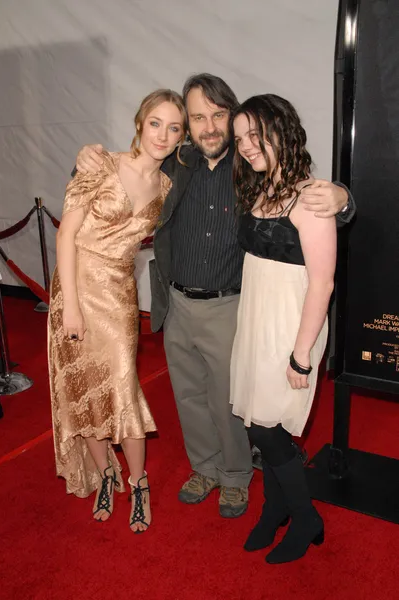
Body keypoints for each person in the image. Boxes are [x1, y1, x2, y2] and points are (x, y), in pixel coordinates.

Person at [75, 73, 354, 519]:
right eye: (197, 117)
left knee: (228, 400)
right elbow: (126, 166)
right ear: (187, 124)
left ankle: (236, 476)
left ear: (232, 116)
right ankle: (204, 468)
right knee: (188, 396)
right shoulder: (174, 163)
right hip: (177, 302)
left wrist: (343, 198)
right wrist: (87, 157)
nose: (208, 127)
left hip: (230, 305)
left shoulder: (251, 166)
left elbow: (302, 194)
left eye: (218, 115)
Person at [48, 89, 187, 533]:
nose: (163, 135)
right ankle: (107, 473)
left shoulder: (168, 186)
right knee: (82, 389)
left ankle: (138, 481)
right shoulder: (102, 163)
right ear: (139, 122)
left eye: (174, 127)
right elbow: (65, 236)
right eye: (155, 123)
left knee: (122, 387)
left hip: (118, 294)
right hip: (75, 289)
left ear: (182, 136)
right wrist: (70, 306)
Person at [230, 94, 336, 563]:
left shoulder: (310, 197)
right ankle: (275, 508)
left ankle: (304, 515)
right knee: (257, 425)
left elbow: (323, 282)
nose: (247, 146)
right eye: (240, 139)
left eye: (255, 135)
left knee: (271, 432)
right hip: (256, 318)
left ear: (281, 130)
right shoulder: (259, 188)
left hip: (291, 325)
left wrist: (301, 353)